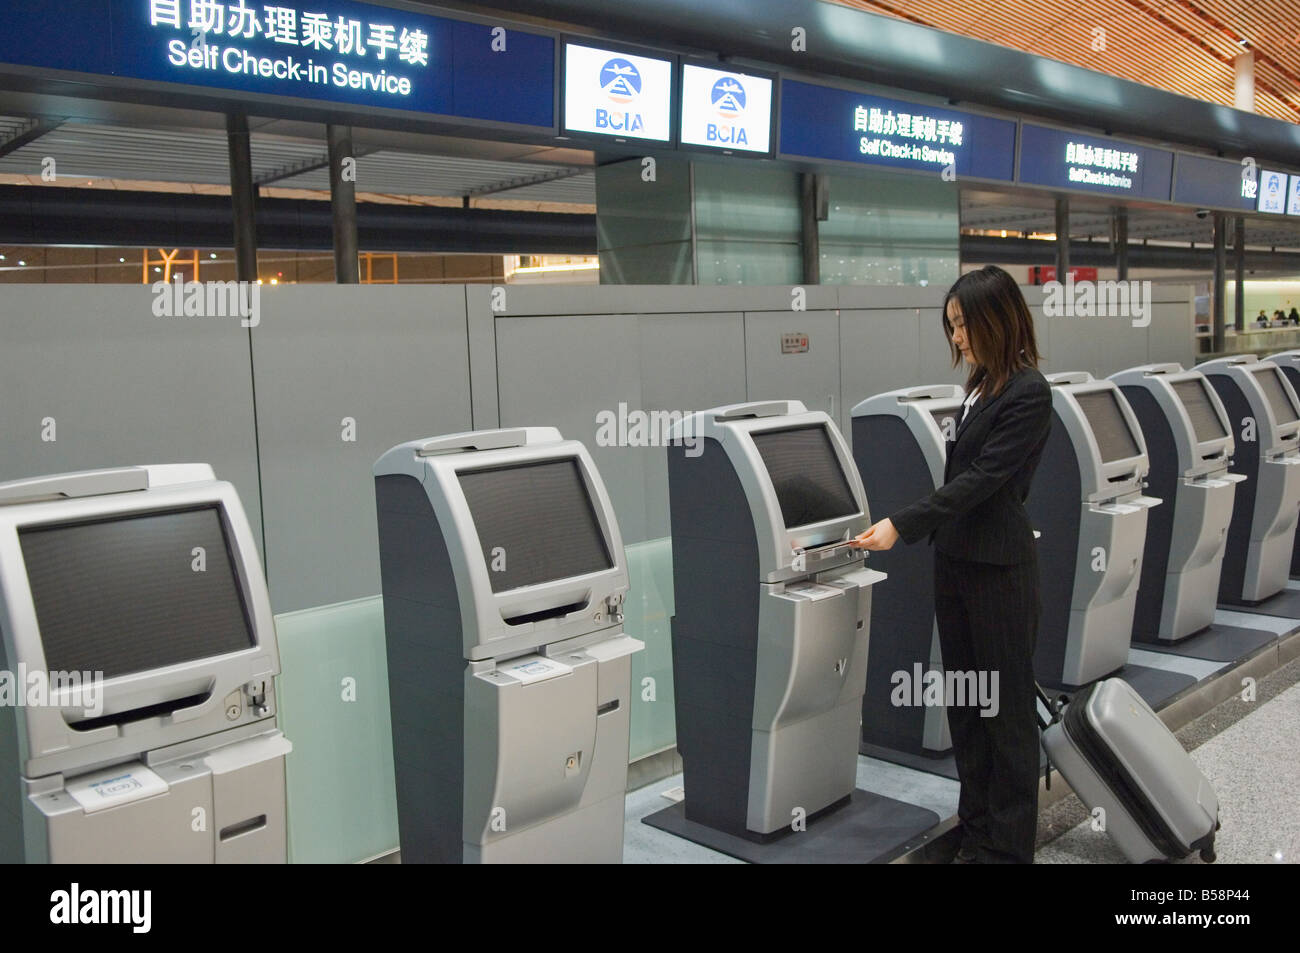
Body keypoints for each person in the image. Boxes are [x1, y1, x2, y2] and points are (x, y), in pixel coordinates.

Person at [852, 265, 1052, 864]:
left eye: (963, 325)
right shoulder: (979, 386)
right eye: (952, 326)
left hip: (1000, 571)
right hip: (959, 566)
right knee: (966, 704)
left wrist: (903, 524)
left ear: (997, 319)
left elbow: (984, 480)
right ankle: (978, 825)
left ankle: (1009, 846)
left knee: (1004, 710)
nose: (957, 339)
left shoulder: (1028, 392)